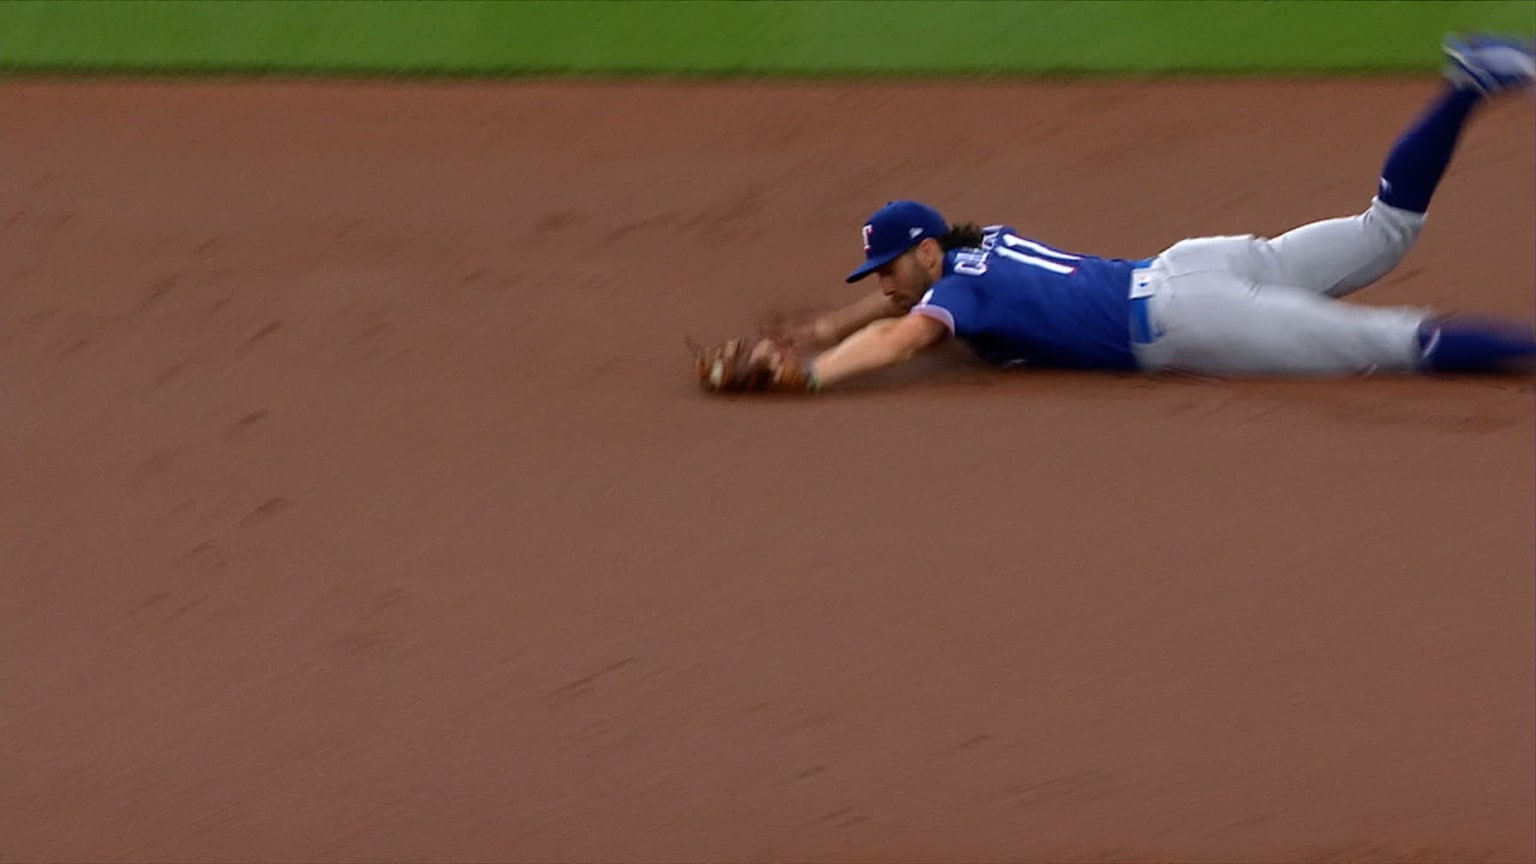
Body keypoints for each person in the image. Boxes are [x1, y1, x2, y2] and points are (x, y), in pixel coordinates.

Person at [693, 34, 1536, 395]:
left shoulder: (961, 297)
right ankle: (1468, 82)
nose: (884, 282)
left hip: (1185, 314)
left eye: (887, 265)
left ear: (922, 253)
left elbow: (903, 333)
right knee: (1385, 229)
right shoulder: (975, 243)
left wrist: (815, 374)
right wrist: (822, 326)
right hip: (1197, 266)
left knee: (1393, 343)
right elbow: (890, 306)